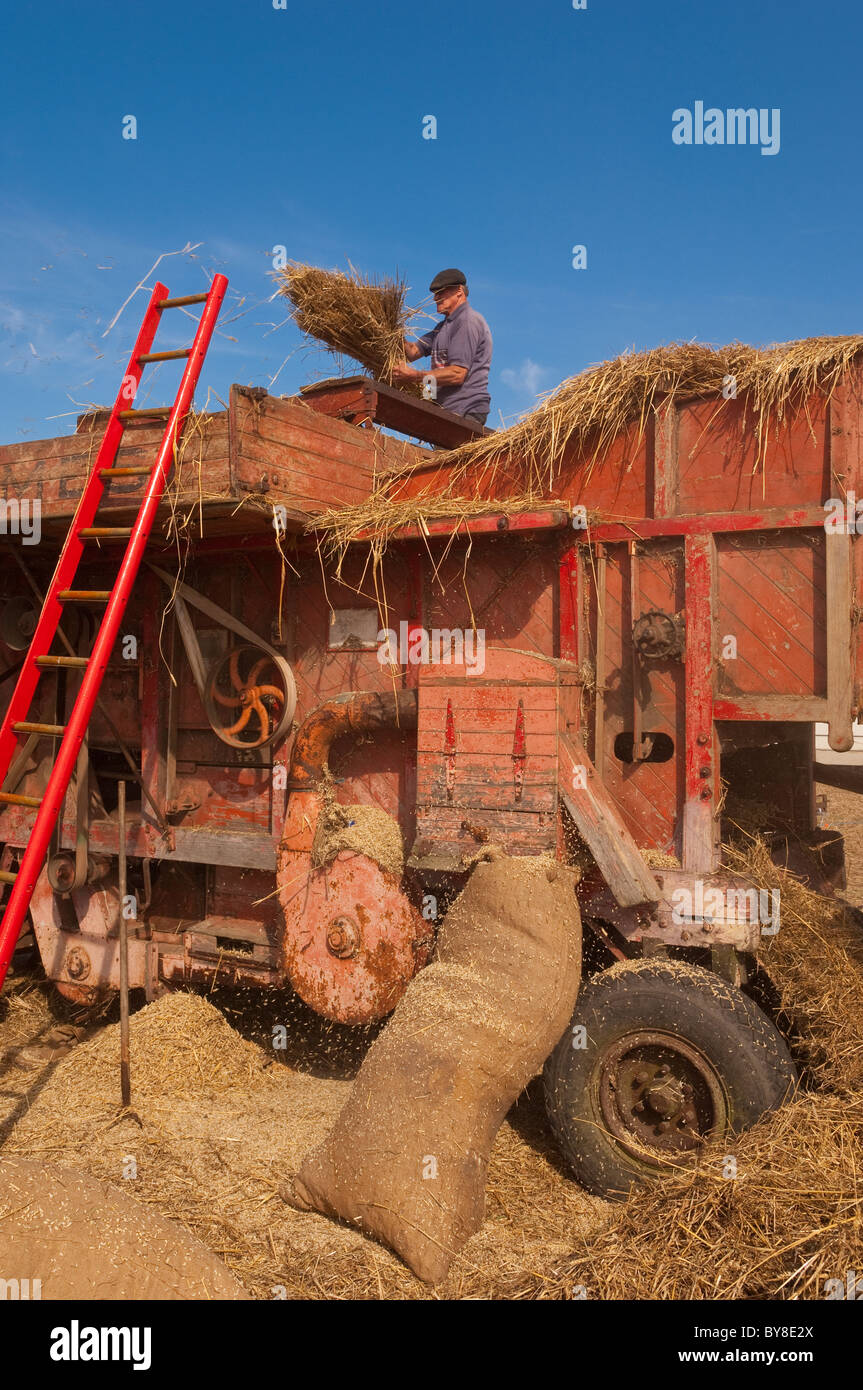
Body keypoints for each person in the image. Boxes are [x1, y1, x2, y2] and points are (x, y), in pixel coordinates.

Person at [391, 268, 492, 427]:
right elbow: (411, 352)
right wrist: (390, 329)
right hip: (445, 409)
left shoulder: (467, 322)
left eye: (441, 292)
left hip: (465, 409)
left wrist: (414, 376)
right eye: (435, 294)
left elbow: (457, 374)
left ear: (459, 291)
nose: (435, 298)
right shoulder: (442, 327)